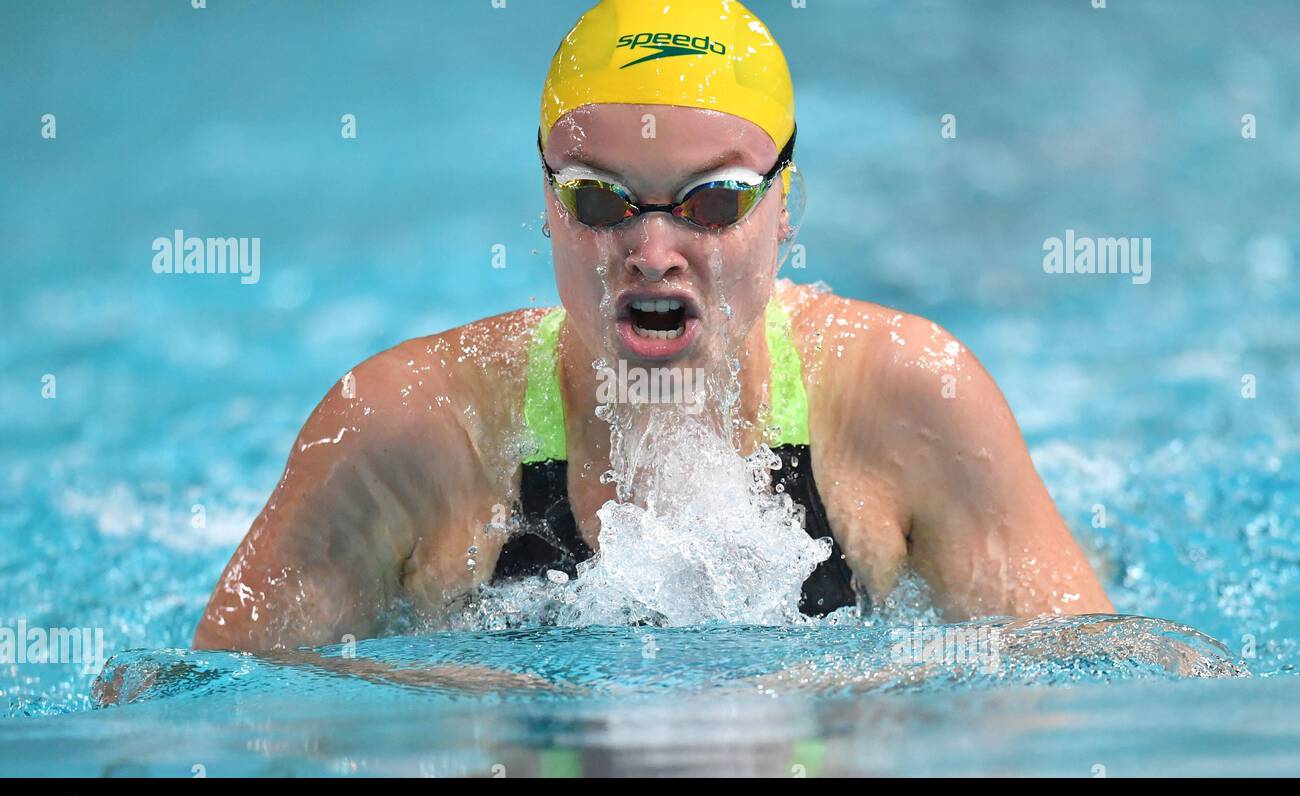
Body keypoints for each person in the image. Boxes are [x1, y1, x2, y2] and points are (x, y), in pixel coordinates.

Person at [194, 0, 1113, 652]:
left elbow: (1083, 695)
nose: (654, 248)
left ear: (784, 203)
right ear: (546, 204)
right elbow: (206, 720)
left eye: (712, 202)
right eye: (603, 200)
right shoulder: (403, 430)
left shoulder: (910, 396)